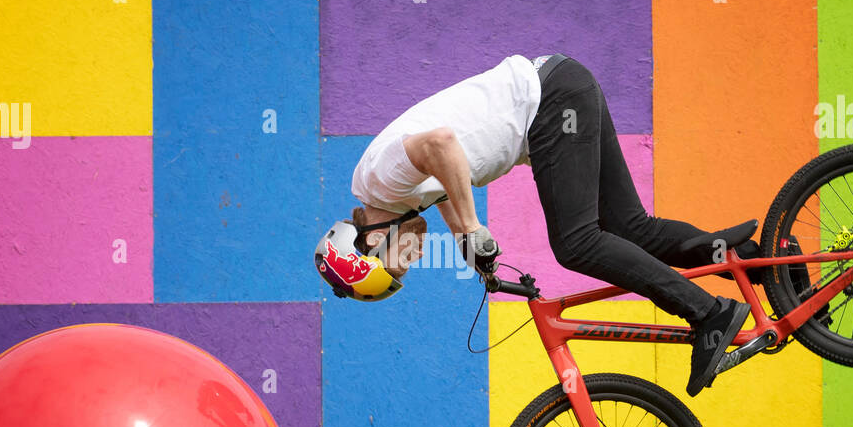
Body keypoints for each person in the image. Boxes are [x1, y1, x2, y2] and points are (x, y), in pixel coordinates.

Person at [314, 53, 763, 396]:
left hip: (549, 104)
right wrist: (473, 252)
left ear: (374, 240)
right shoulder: (392, 195)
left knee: (577, 243)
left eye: (395, 265)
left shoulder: (380, 178)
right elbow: (445, 185)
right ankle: (761, 266)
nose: (409, 264)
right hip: (561, 87)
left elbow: (442, 144)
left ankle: (709, 315)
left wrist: (471, 228)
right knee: (630, 229)